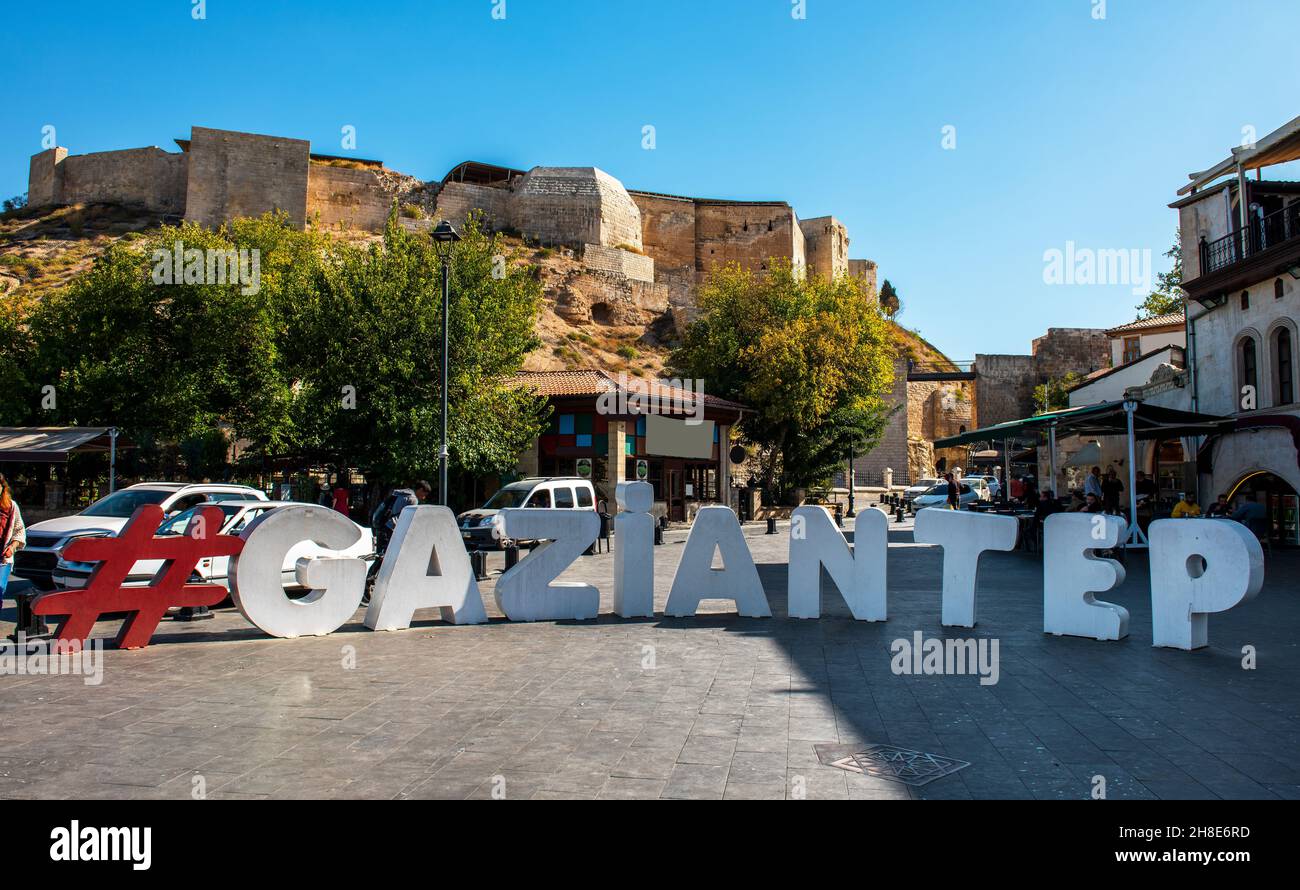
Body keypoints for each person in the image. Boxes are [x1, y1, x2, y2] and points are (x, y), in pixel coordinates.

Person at [371, 480, 432, 554]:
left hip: (383, 524)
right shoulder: (413, 499)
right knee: (389, 556)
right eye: (424, 494)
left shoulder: (401, 494)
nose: (423, 497)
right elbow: (408, 519)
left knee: (381, 555)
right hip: (391, 528)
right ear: (420, 490)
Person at [0, 473, 27, 600]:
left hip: (3, 559)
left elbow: (19, 530)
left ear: (2, 487)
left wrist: (12, 546)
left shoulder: (10, 506)